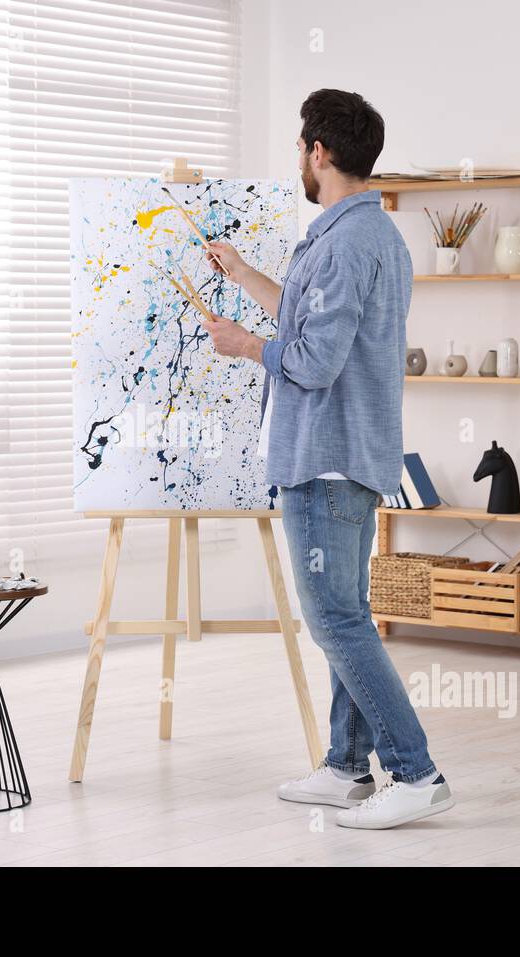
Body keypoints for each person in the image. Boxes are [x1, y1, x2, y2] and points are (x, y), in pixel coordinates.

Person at [201, 89, 452, 830]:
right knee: (350, 612)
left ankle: (416, 771)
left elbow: (311, 361)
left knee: (336, 619)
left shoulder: (344, 242)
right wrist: (246, 274)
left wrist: (245, 346)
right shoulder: (362, 235)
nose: (299, 160)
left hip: (328, 461)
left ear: (319, 151)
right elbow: (310, 323)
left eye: (301, 147)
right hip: (347, 456)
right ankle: (347, 767)